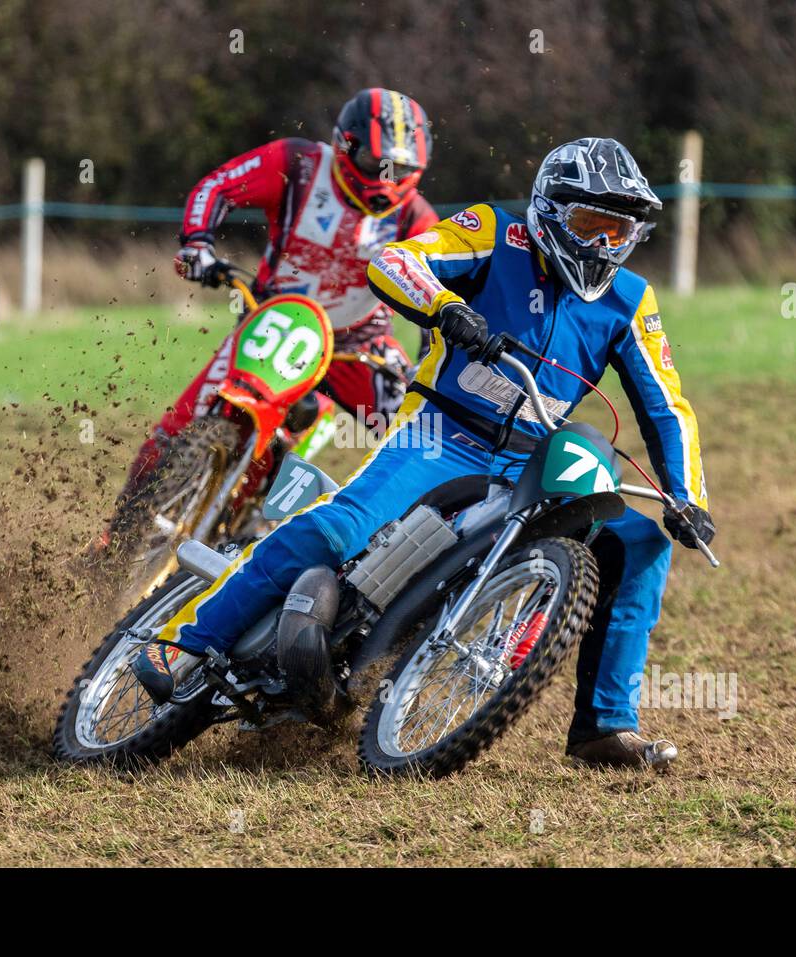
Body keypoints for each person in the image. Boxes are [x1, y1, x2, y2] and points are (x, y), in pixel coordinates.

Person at [133, 137, 715, 771]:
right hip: (440, 430)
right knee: (342, 528)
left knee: (640, 543)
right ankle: (191, 641)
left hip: (532, 457)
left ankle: (606, 724)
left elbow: (667, 407)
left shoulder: (631, 299)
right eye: (589, 225)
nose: (603, 243)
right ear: (550, 209)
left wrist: (688, 499)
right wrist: (448, 308)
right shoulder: (498, 231)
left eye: (618, 230)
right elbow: (395, 261)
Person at [112, 89, 438, 512]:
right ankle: (114, 540)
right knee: (176, 431)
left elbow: (435, 297)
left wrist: (429, 367)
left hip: (360, 345)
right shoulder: (298, 165)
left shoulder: (417, 219)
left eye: (400, 170)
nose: (385, 179)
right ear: (345, 147)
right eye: (375, 165)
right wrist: (198, 244)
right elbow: (218, 187)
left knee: (425, 437)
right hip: (275, 319)